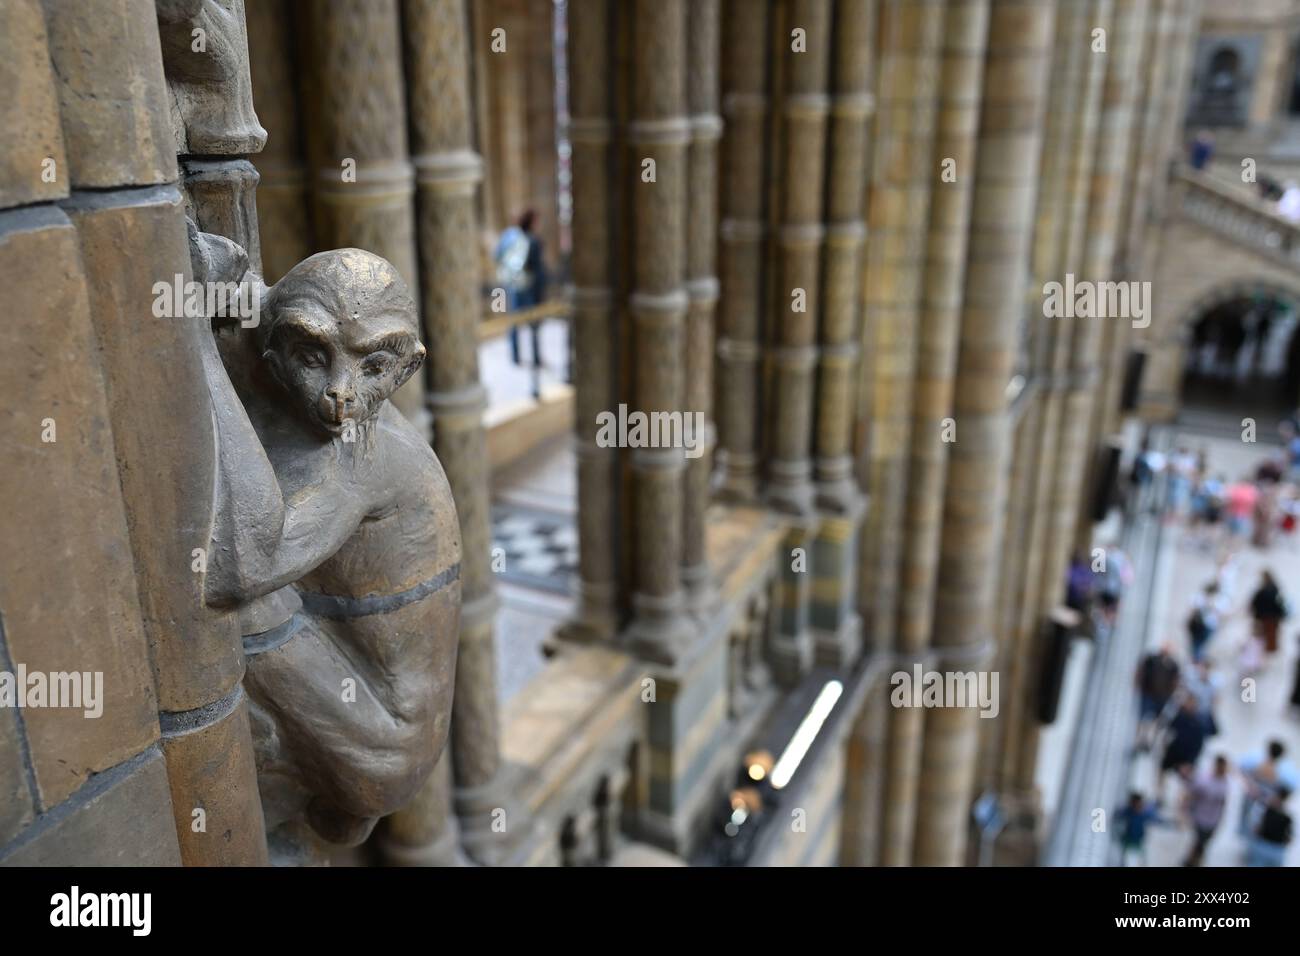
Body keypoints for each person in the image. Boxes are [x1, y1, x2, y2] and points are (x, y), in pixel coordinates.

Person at [1238, 740, 1300, 837]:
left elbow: (1242, 770)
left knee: (1248, 821)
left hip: (1256, 798)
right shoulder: (1285, 771)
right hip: (1263, 801)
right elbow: (1291, 788)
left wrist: (1250, 785)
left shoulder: (1255, 761)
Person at [1182, 756, 1230, 867]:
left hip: (1213, 820)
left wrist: (1221, 819)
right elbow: (1190, 794)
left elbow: (1223, 802)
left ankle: (1193, 861)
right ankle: (1192, 862)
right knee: (1199, 843)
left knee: (1203, 844)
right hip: (1200, 817)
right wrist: (1185, 811)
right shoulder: (1204, 780)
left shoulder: (1225, 783)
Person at [1136, 645, 1181, 752]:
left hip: (1162, 697)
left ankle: (1148, 741)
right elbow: (1141, 672)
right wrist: (1138, 685)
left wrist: (1171, 694)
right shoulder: (1152, 660)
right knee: (1143, 719)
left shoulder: (1173, 665)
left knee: (1155, 721)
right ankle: (1139, 740)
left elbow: (1175, 681)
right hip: (1148, 693)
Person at [1115, 791, 1164, 866]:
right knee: (1124, 857)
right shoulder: (1128, 811)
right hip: (1128, 838)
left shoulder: (1145, 813)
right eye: (1135, 804)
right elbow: (1118, 816)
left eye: (1139, 804)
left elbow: (1158, 820)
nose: (1137, 806)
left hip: (1138, 839)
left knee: (1141, 858)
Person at [1246, 787, 1293, 866]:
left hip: (1265, 846)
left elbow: (1255, 827)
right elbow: (1289, 838)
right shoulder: (1286, 817)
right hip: (1274, 848)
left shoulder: (1265, 810)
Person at [1248, 569, 1288, 655]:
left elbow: (1255, 603)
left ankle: (1264, 655)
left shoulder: (1266, 590)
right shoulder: (1272, 589)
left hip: (1267, 617)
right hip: (1270, 617)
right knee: (1266, 638)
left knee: (1265, 638)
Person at [1186, 581, 1226, 662]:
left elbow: (1220, 614)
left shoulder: (1217, 600)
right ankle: (1196, 659)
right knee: (1197, 644)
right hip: (1199, 625)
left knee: (1200, 645)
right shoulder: (1200, 598)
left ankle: (1197, 659)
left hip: (1209, 626)